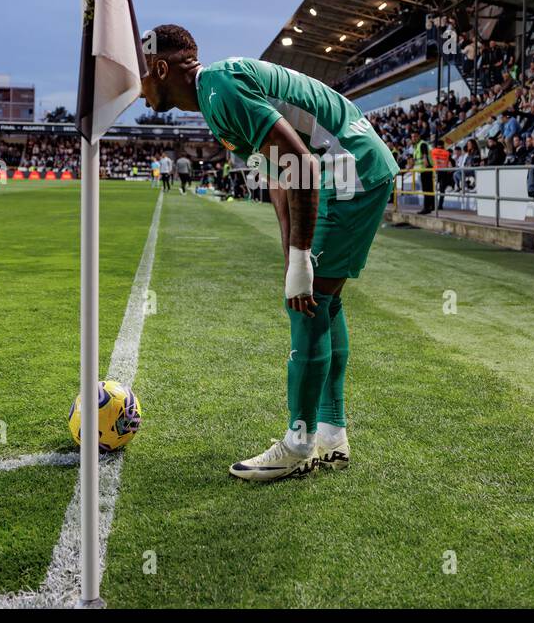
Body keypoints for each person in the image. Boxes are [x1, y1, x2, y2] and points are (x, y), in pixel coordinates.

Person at [138, 24, 397, 481]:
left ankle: (299, 443)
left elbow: (303, 162)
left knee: (307, 307)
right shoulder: (216, 95)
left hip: (347, 171)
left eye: (142, 77)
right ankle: (332, 435)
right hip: (352, 167)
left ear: (161, 68)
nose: (140, 94)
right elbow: (280, 176)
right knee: (319, 300)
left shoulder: (219, 88)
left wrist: (301, 259)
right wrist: (292, 258)